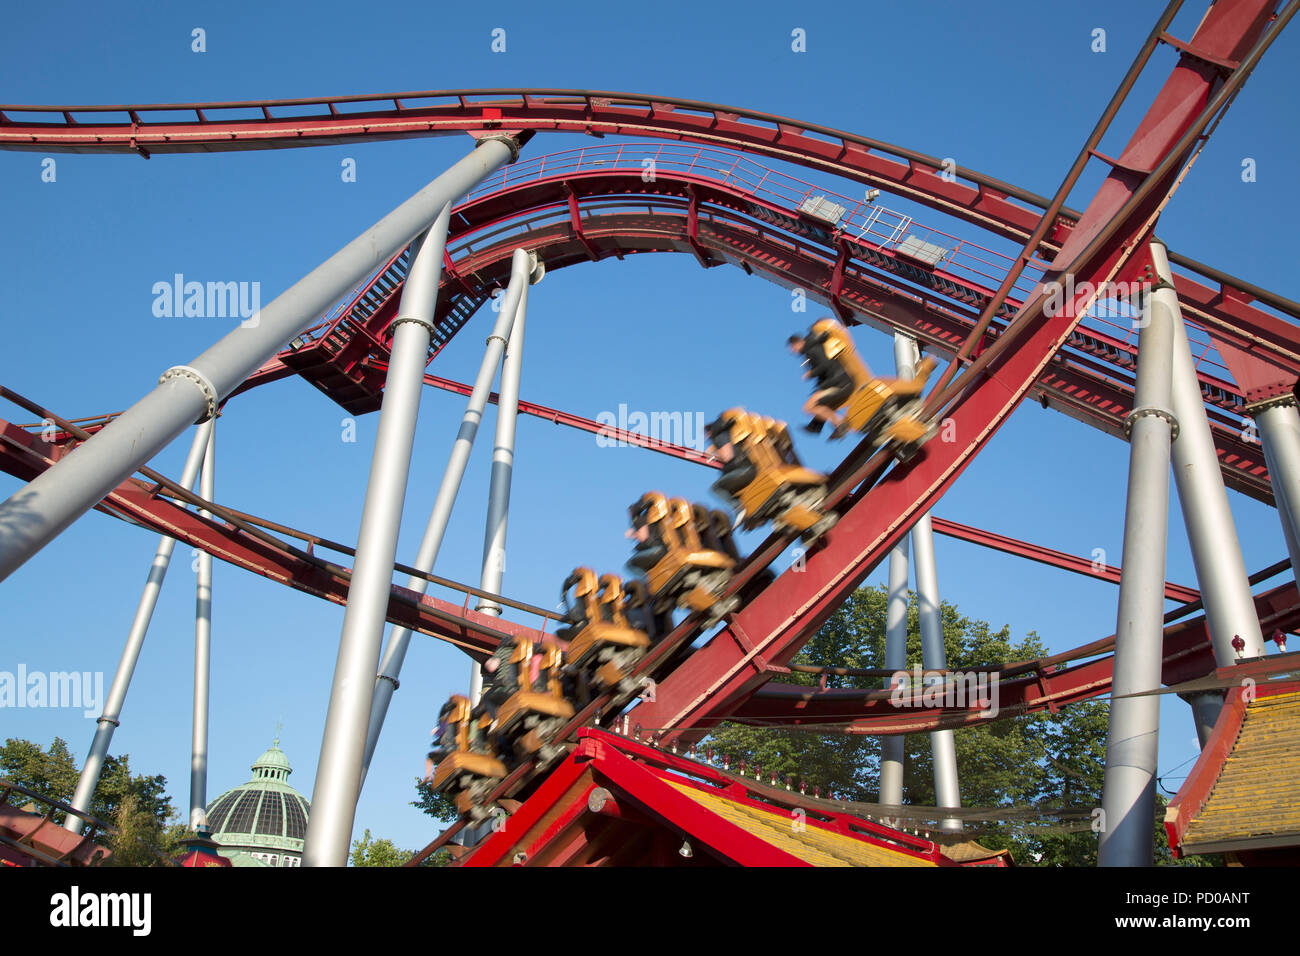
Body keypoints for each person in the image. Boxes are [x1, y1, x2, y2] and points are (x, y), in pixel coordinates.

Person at [788, 327, 859, 435]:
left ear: (797, 343)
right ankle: (816, 426)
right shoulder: (810, 350)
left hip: (840, 383)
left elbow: (826, 364)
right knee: (816, 404)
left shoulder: (812, 349)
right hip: (836, 382)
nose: (794, 351)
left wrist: (811, 373)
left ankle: (840, 424)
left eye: (793, 348)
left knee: (809, 407)